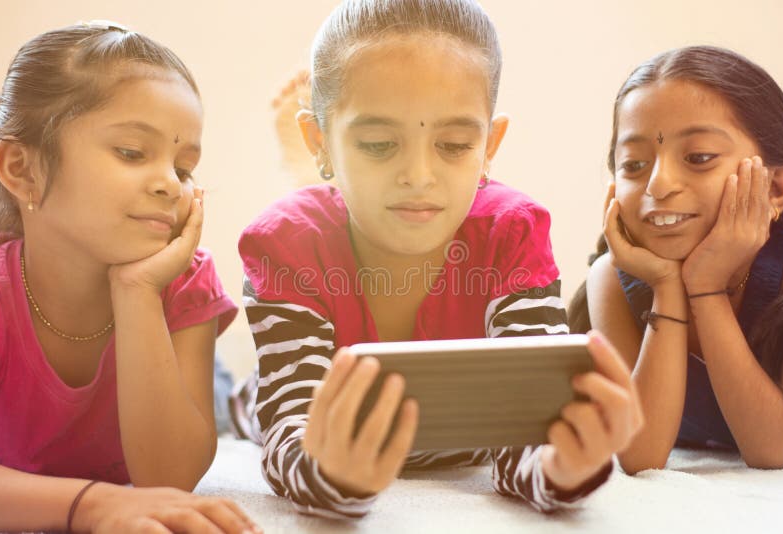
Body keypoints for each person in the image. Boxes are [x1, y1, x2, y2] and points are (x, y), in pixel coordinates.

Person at [231, 0, 643, 519]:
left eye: (453, 145)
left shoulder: (511, 230)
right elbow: (289, 430)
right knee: (252, 393)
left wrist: (561, 466)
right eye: (380, 144)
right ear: (321, 137)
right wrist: (335, 476)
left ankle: (339, 180)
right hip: (281, 387)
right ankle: (316, 184)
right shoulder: (283, 243)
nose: (420, 175)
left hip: (457, 429)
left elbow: (529, 434)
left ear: (490, 145)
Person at [0, 21, 261, 533]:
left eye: (184, 170)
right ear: (22, 169)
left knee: (228, 410)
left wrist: (137, 290)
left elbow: (169, 477)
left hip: (167, 351)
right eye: (133, 153)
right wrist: (93, 505)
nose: (168, 183)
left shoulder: (185, 278)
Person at [582, 45, 783, 474]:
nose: (658, 185)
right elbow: (639, 456)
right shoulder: (613, 279)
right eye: (634, 164)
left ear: (776, 188)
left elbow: (771, 450)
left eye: (699, 158)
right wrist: (666, 286)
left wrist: (707, 288)